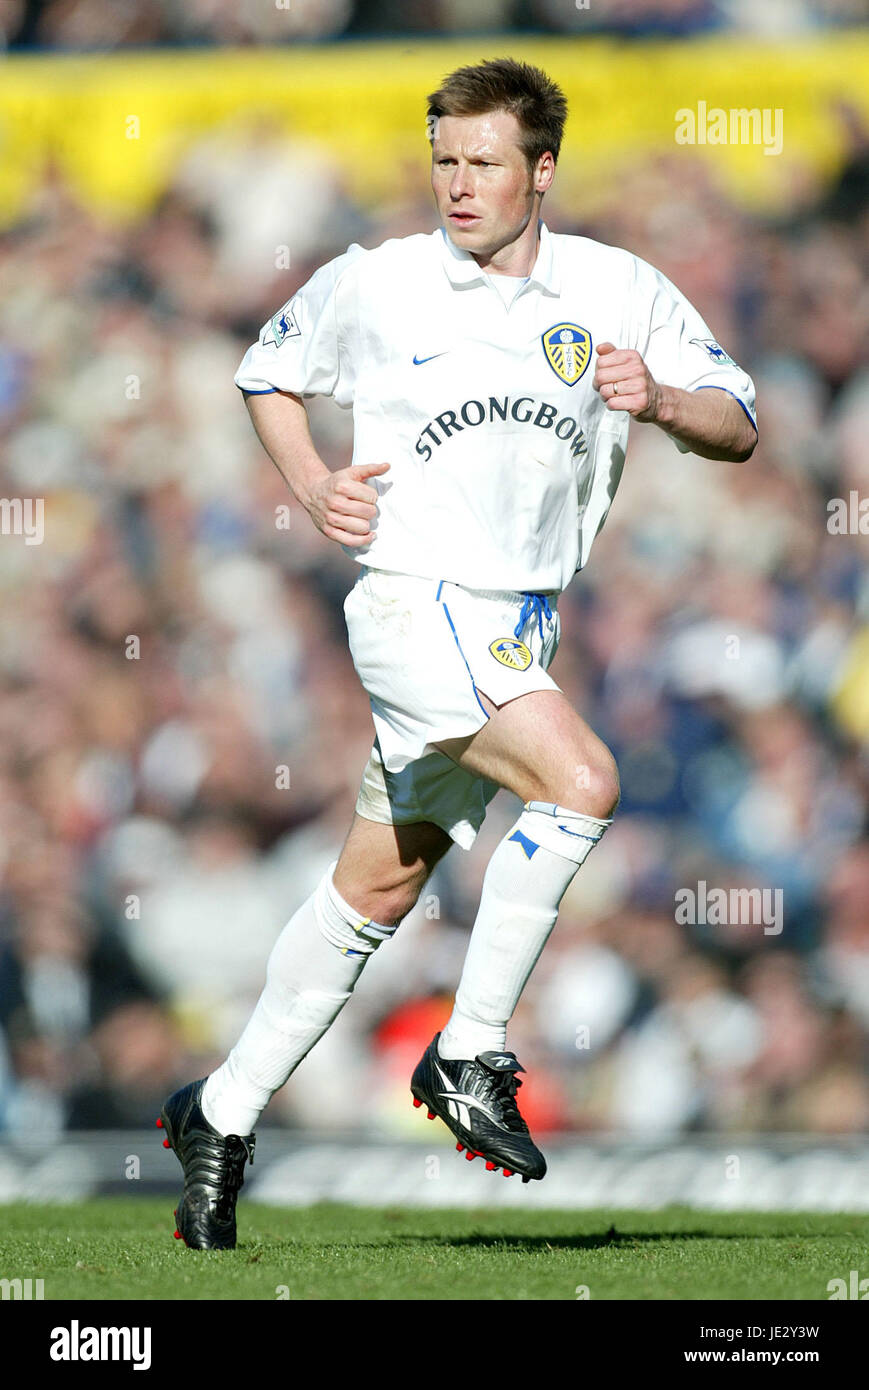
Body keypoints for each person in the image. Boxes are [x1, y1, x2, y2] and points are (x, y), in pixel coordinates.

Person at [158, 57, 757, 1248]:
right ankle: (469, 1048)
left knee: (376, 885)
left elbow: (736, 422)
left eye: (484, 162)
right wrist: (315, 484)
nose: (457, 183)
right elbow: (268, 374)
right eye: (443, 158)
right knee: (583, 780)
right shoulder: (377, 281)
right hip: (413, 603)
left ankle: (215, 1112)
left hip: (514, 622)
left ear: (543, 171)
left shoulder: (614, 287)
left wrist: (663, 403)